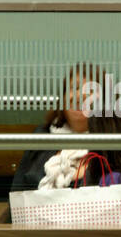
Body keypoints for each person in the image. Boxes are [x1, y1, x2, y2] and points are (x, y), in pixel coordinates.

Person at [10, 63, 99, 194]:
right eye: (74, 88)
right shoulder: (42, 137)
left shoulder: (112, 142)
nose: (81, 95)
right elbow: (17, 194)